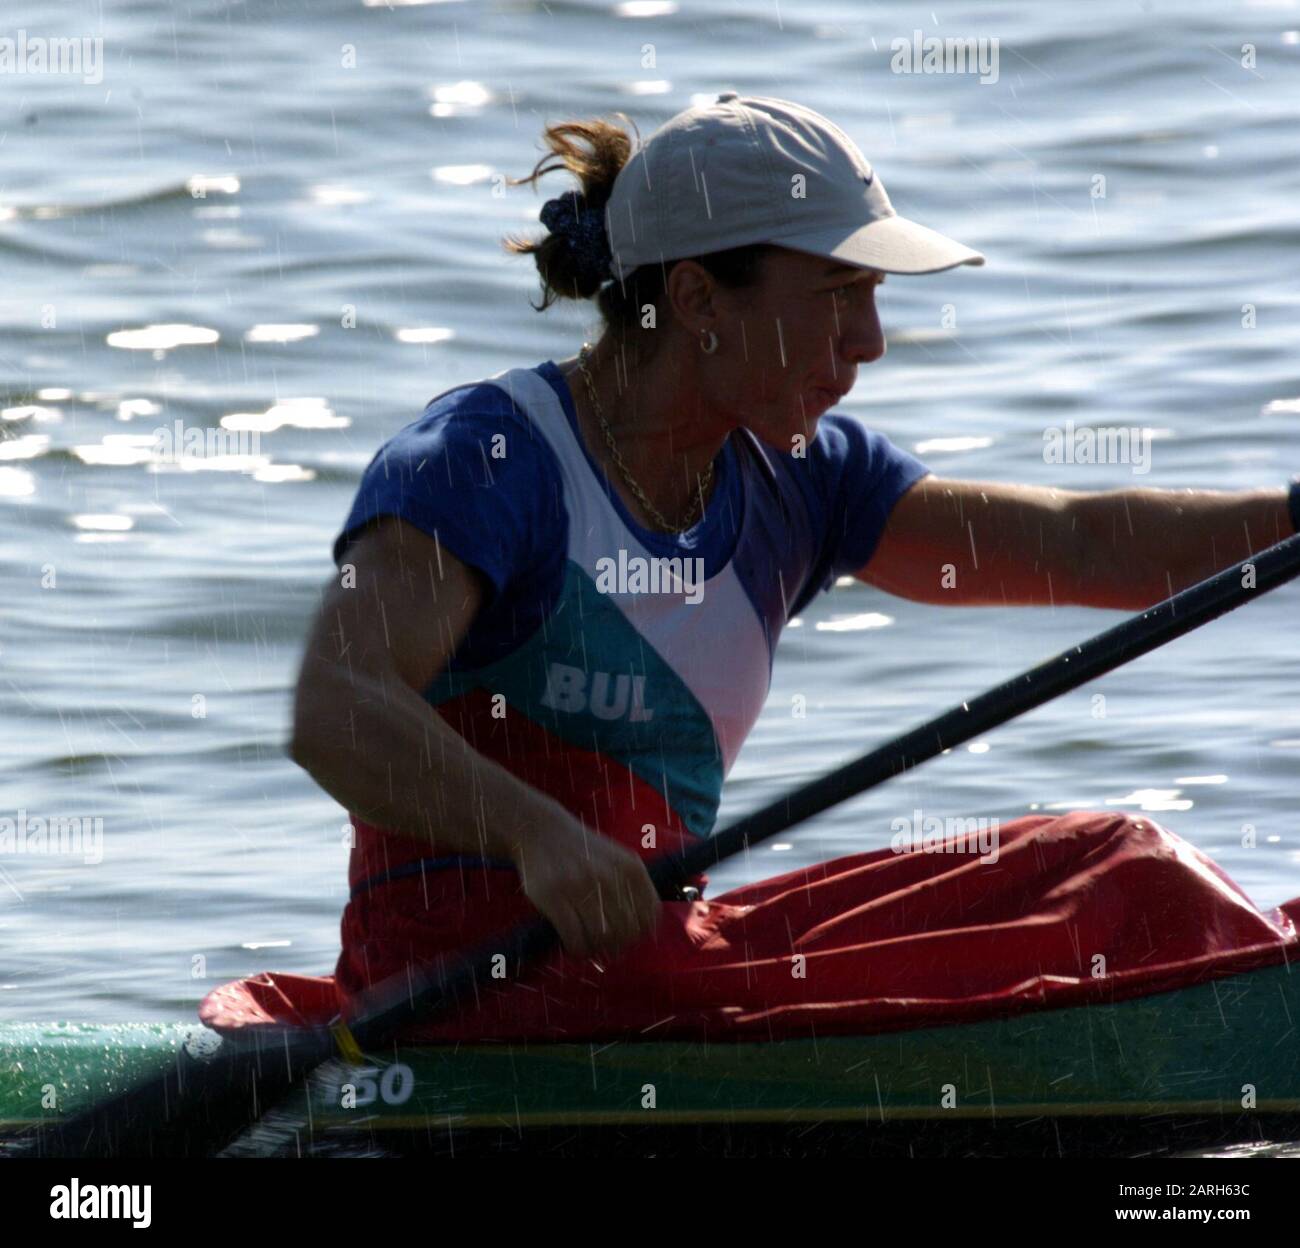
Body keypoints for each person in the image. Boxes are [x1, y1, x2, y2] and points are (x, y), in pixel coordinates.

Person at [283, 93, 1299, 1035]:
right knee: (1130, 885)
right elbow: (337, 705)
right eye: (836, 294)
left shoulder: (803, 476)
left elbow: (1078, 545)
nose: (870, 342)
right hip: (462, 994)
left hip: (653, 971)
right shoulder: (488, 461)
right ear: (697, 299)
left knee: (1108, 872)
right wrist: (536, 835)